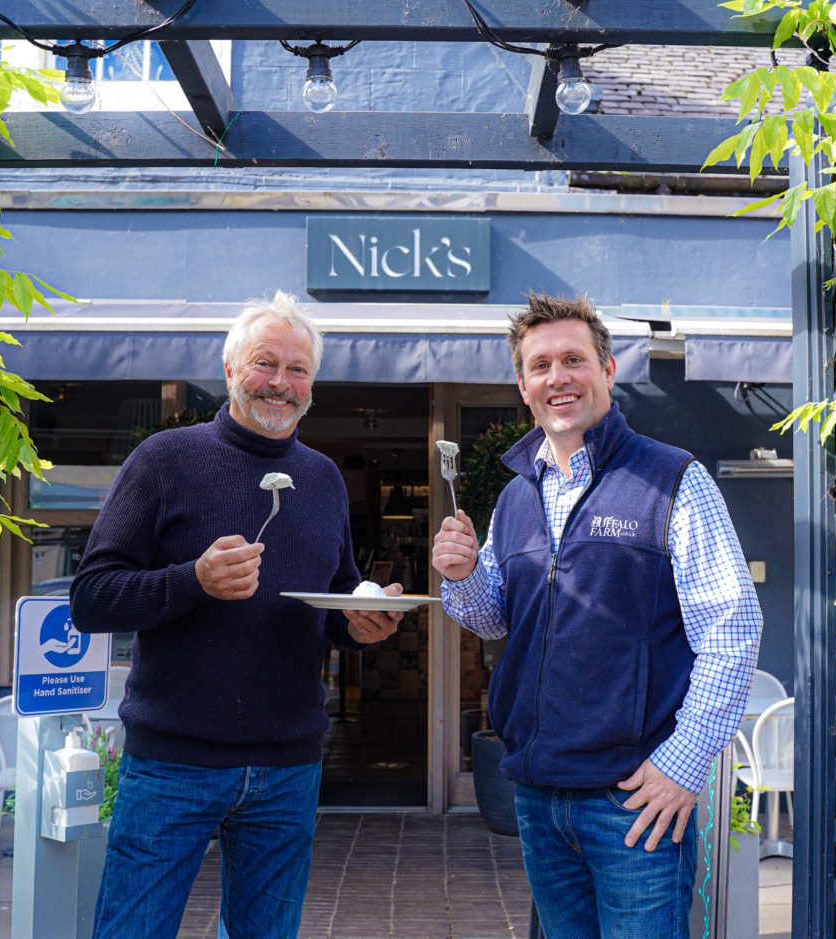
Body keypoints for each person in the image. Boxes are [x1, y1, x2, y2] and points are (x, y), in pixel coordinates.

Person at [70, 291, 403, 939]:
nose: (281, 382)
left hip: (289, 765)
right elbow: (91, 597)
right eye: (265, 363)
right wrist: (193, 579)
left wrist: (360, 621)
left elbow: (332, 594)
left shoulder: (324, 477)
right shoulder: (165, 460)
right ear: (229, 371)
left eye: (298, 369)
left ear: (313, 384)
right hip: (173, 763)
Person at [432, 293, 763, 938]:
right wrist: (464, 576)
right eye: (540, 366)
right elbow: (498, 619)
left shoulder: (672, 480)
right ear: (523, 386)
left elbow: (732, 628)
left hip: (634, 800)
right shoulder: (514, 494)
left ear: (608, 371)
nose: (558, 378)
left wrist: (682, 765)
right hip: (539, 792)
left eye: (573, 360)